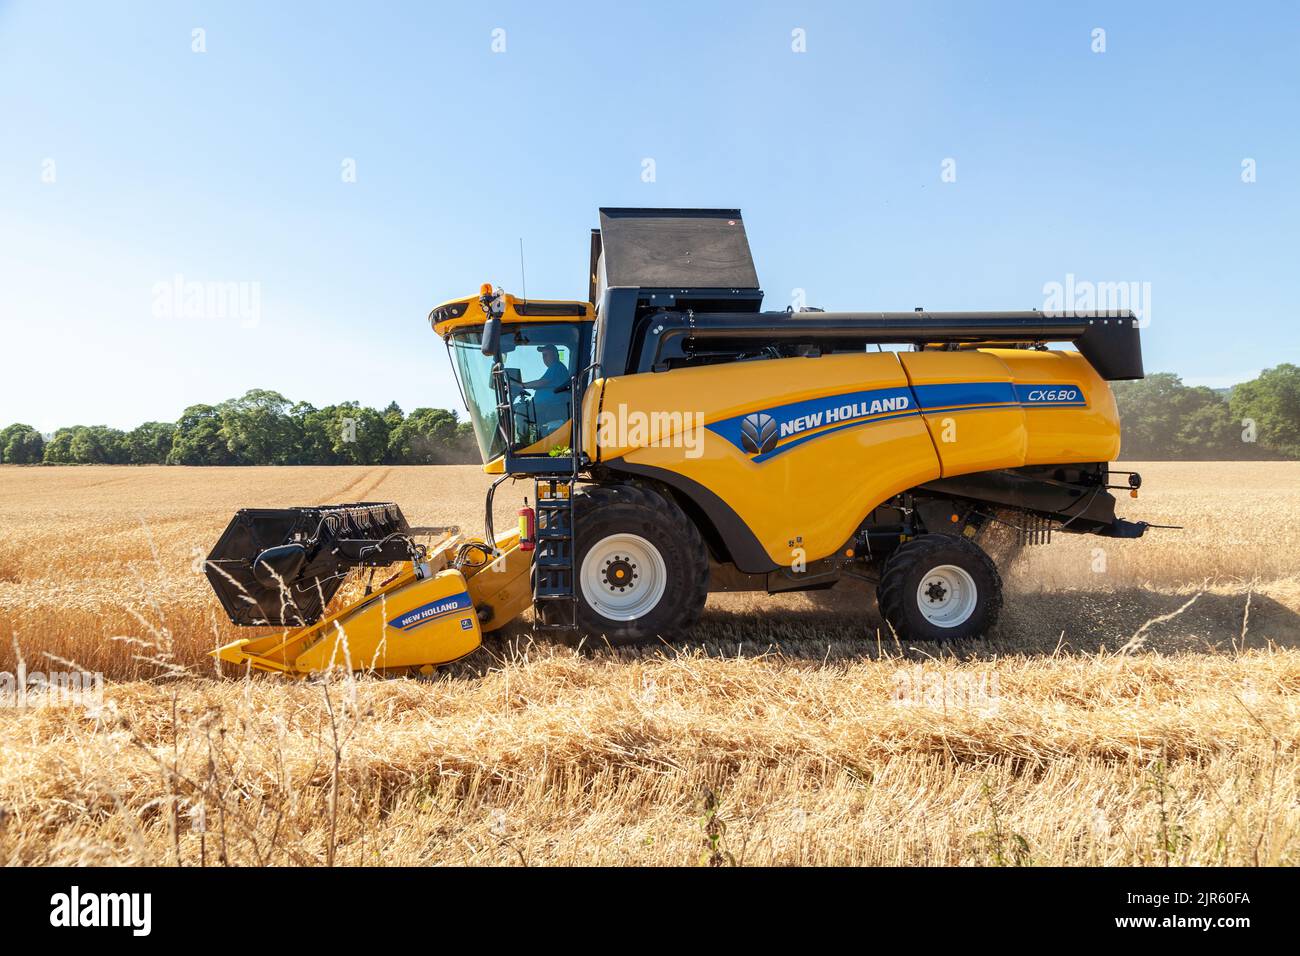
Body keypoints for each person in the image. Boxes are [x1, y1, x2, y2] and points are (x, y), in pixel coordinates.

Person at [520, 344, 570, 427]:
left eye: (546, 355)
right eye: (543, 356)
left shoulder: (557, 366)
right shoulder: (556, 368)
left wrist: (521, 385)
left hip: (551, 406)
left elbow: (541, 383)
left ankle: (523, 437)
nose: (544, 358)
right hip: (548, 406)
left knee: (521, 411)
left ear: (555, 355)